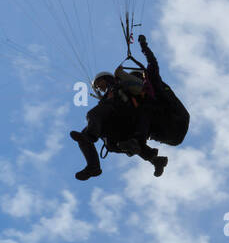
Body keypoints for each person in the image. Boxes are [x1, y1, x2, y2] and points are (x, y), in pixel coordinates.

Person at [70, 46, 168, 180]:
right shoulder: (108, 94)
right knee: (106, 141)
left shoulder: (118, 84)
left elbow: (138, 91)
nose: (99, 88)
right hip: (119, 124)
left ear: (105, 78)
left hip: (126, 112)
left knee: (92, 115)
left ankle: (91, 136)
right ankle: (93, 166)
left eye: (99, 84)